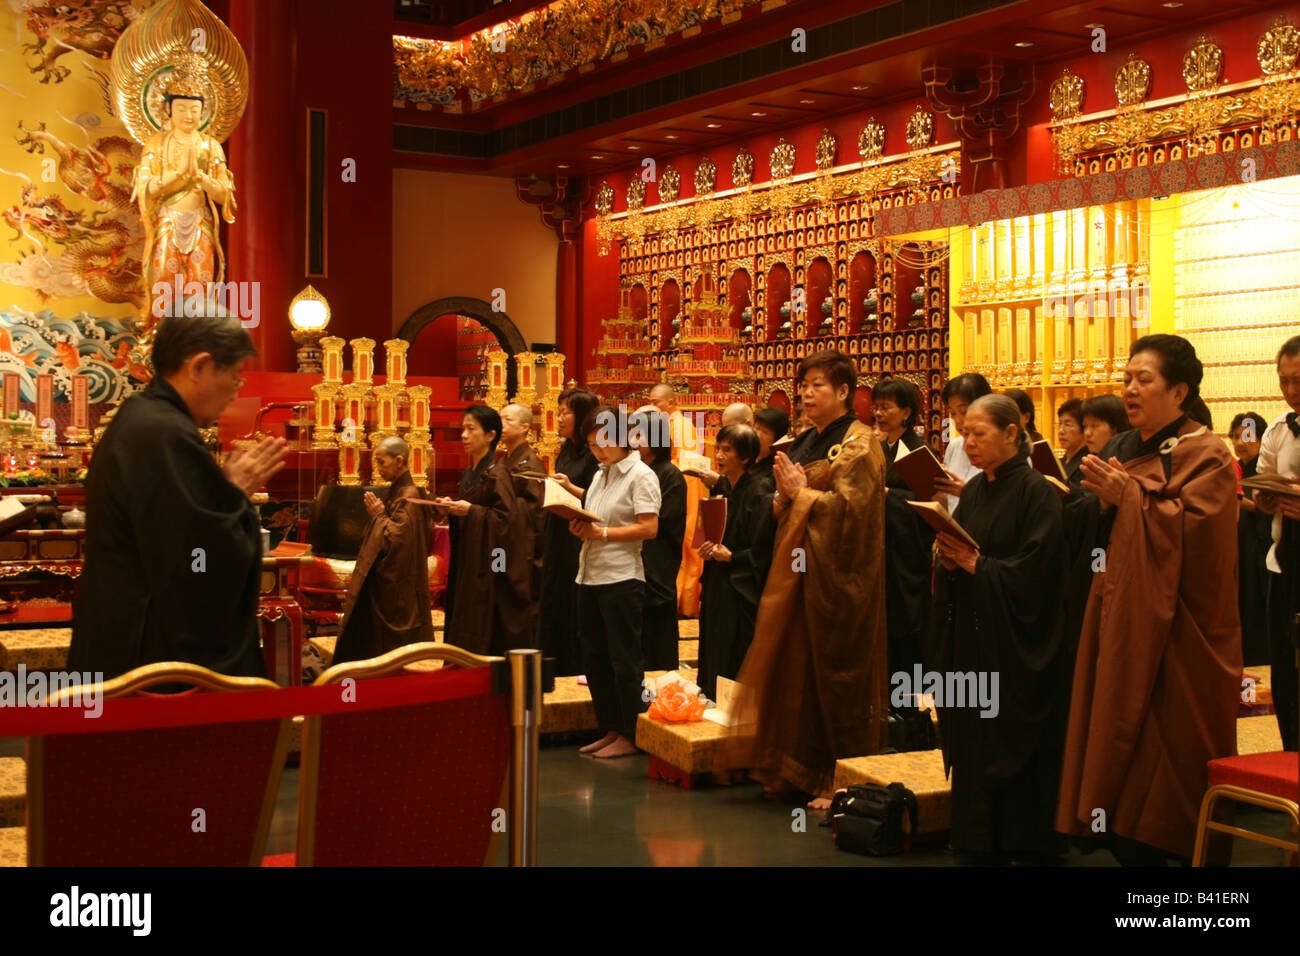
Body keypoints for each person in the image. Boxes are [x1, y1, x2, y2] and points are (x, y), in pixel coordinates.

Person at [1057, 334, 1242, 865]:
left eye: (1145, 380)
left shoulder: (1207, 453)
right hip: (1123, 617)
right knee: (1118, 742)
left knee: (1170, 755)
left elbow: (1201, 538)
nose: (1131, 391)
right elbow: (1098, 524)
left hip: (1182, 634)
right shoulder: (1121, 449)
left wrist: (1130, 499)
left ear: (1180, 390)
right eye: (1127, 380)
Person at [69, 312, 287, 679]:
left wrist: (222, 497)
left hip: (122, 635)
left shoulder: (143, 417)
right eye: (233, 377)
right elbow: (196, 560)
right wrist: (235, 495)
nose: (235, 391)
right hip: (150, 655)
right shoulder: (164, 433)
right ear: (199, 366)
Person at [727, 350, 888, 809]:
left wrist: (802, 496)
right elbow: (777, 510)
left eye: (818, 384)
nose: (806, 393)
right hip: (795, 574)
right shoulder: (801, 444)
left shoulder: (859, 445)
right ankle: (787, 766)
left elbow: (855, 516)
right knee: (789, 668)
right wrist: (783, 500)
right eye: (804, 385)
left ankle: (837, 774)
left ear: (844, 392)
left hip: (838, 581)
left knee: (831, 673)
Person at [930, 395, 1069, 865]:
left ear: (1012, 434)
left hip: (1015, 646)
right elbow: (967, 557)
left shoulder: (1037, 491)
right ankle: (974, 836)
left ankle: (1020, 840)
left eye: (979, 433)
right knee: (972, 736)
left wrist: (978, 566)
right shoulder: (972, 492)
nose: (967, 442)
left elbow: (1040, 572)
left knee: (1008, 738)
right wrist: (949, 561)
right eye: (964, 433)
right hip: (973, 639)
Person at [571, 406, 661, 758]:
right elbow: (594, 514)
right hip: (589, 574)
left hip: (622, 577)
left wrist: (601, 532)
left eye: (603, 442)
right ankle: (611, 727)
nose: (598, 451)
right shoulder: (600, 475)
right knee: (594, 657)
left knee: (626, 661)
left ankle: (634, 731)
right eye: (592, 444)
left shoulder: (641, 475)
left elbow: (649, 528)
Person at [133, 75, 236, 329]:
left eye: (194, 109)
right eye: (181, 109)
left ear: (204, 112)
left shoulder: (211, 146)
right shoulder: (156, 144)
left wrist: (202, 178)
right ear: (168, 109)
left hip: (200, 222)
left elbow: (225, 194)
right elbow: (144, 188)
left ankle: (196, 338)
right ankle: (161, 336)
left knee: (200, 283)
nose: (188, 115)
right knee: (164, 282)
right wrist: (177, 173)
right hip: (168, 220)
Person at [332, 436, 432, 664]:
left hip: (398, 586)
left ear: (399, 460)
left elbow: (396, 540)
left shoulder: (409, 496)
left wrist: (378, 514)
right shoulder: (399, 491)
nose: (378, 468)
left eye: (381, 462)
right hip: (391, 581)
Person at [697, 424, 773, 700]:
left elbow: (764, 550)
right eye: (719, 448)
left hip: (741, 584)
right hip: (719, 578)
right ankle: (711, 694)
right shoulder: (726, 486)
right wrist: (708, 548)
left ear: (745, 457)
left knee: (734, 646)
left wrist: (732, 556)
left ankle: (732, 703)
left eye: (727, 450)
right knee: (713, 640)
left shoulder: (760, 493)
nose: (719, 455)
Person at [436, 405, 516, 656]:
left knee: (484, 615)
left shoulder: (498, 473)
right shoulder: (471, 472)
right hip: (469, 559)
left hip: (492, 563)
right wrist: (450, 509)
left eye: (471, 429)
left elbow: (507, 521)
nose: (464, 436)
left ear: (491, 435)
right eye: (463, 429)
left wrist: (471, 511)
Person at [1254, 335, 1300, 751]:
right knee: (1284, 668)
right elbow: (1262, 486)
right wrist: (1264, 497)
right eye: (1284, 380)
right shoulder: (1277, 431)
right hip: (1284, 561)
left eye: (1298, 380)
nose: (1290, 391)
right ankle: (1291, 756)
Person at [873, 377, 934, 676]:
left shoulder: (918, 450)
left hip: (906, 552)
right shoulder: (879, 447)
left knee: (905, 617)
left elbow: (925, 503)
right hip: (880, 547)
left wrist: (887, 496)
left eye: (886, 407)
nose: (879, 414)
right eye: (877, 408)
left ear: (906, 413)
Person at [540, 388, 600, 675]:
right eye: (560, 410)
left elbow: (599, 497)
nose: (560, 417)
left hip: (579, 532)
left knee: (573, 596)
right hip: (558, 529)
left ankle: (577, 665)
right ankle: (556, 661)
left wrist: (567, 487)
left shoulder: (594, 452)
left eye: (566, 411)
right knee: (555, 593)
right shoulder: (565, 448)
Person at [629, 410, 686, 671]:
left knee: (657, 633)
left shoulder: (670, 475)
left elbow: (663, 522)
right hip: (635, 559)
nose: (633, 440)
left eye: (639, 435)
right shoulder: (636, 471)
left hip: (657, 561)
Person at [649, 383, 706, 618]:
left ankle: (685, 602)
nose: (652, 406)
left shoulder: (680, 426)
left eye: (656, 402)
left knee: (687, 543)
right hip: (675, 487)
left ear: (670, 403)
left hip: (684, 488)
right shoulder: (667, 424)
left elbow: (683, 463)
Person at [498, 403, 547, 650]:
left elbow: (532, 513)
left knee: (520, 607)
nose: (502, 425)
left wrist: (497, 505)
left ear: (525, 427)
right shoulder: (505, 461)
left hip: (521, 552)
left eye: (508, 420)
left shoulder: (530, 463)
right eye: (500, 420)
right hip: (500, 549)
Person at [1231, 411, 1272, 668]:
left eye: (1245, 435)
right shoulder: (1239, 469)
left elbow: (1270, 509)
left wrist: (1242, 504)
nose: (1238, 442)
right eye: (1234, 436)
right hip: (1241, 554)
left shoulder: (1265, 469)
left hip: (1261, 556)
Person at [934, 372, 992, 511]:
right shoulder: (954, 446)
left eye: (964, 411)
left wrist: (967, 493)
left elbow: (1008, 504)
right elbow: (950, 501)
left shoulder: (1001, 448)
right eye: (953, 413)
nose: (958, 420)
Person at [752, 406, 791, 488]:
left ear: (777, 439)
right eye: (756, 428)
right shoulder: (747, 459)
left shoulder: (776, 469)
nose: (758, 435)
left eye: (764, 432)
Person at [1057, 398, 1088, 490]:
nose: (1061, 431)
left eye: (1068, 424)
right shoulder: (1059, 462)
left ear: (1083, 428)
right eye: (1060, 424)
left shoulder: (1087, 464)